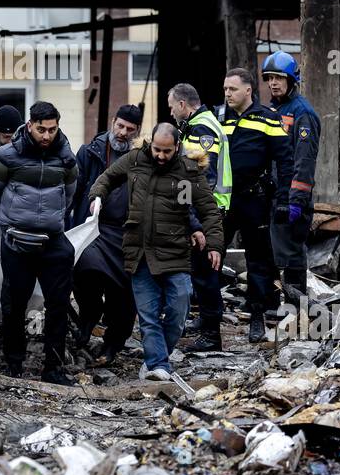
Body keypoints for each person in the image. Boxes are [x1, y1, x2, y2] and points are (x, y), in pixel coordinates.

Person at [88, 123, 224, 380]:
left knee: (178, 308)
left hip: (175, 251)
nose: (160, 156)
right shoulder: (135, 159)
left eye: (167, 151)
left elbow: (207, 210)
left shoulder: (189, 171)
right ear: (150, 144)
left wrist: (214, 244)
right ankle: (157, 365)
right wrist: (97, 196)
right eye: (157, 150)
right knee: (148, 315)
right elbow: (106, 178)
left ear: (177, 147)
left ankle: (157, 357)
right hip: (139, 252)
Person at [0, 101, 79, 385]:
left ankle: (54, 368)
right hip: (16, 242)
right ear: (29, 126)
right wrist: (7, 227)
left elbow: (70, 193)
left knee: (58, 305)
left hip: (53, 242)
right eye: (41, 129)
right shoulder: (5, 156)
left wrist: (52, 222)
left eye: (52, 129)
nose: (47, 135)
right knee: (14, 304)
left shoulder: (66, 157)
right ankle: (13, 362)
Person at [219, 67, 294, 342]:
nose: (227, 94)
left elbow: (286, 161)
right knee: (211, 255)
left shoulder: (267, 119)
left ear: (248, 90)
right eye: (225, 89)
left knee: (258, 261)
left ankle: (257, 319)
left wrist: (285, 199)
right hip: (223, 201)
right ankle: (207, 321)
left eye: (233, 89)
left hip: (254, 199)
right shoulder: (218, 118)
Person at [69, 104, 142, 365]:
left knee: (122, 293)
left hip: (127, 233)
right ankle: (89, 314)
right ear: (112, 122)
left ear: (138, 131)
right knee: (83, 272)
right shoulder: (90, 152)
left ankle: (112, 344)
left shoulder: (142, 157)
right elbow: (75, 191)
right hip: (93, 229)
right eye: (119, 126)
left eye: (129, 129)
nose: (122, 133)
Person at [168, 82, 231, 350]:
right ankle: (205, 321)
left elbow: (201, 176)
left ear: (182, 105)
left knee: (206, 274)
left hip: (207, 210)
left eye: (172, 107)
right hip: (209, 208)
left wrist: (190, 212)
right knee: (201, 272)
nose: (171, 113)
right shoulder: (202, 123)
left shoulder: (201, 128)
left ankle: (211, 336)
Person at [262, 52, 321, 309]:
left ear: (291, 79)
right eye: (270, 78)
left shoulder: (302, 113)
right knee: (272, 254)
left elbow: (304, 162)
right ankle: (275, 305)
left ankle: (298, 309)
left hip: (291, 198)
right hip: (272, 194)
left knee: (292, 254)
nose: (273, 83)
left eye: (279, 77)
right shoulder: (272, 110)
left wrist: (296, 200)